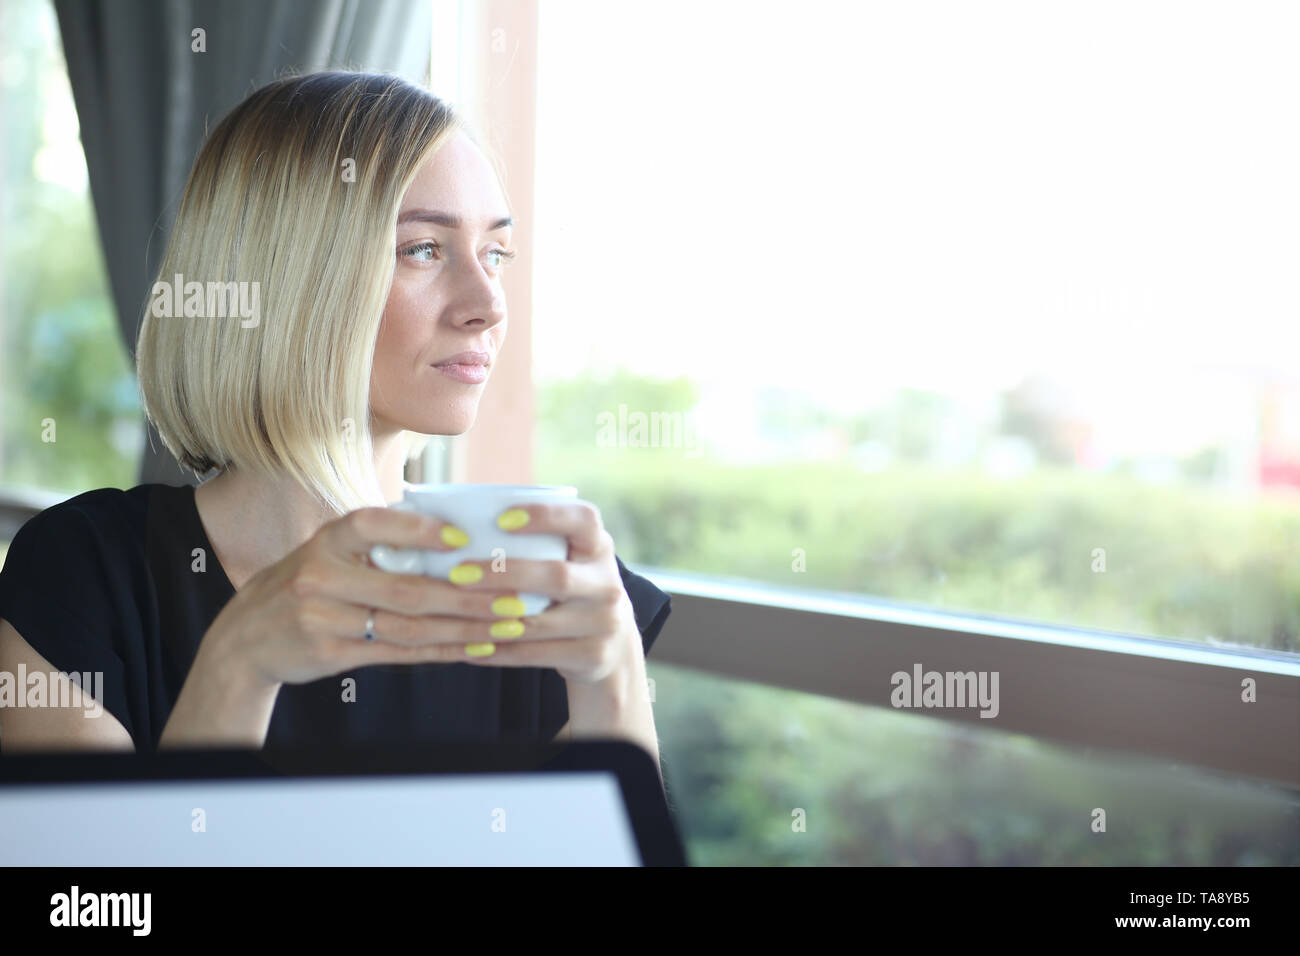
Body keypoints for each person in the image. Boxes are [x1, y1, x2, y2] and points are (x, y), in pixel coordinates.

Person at [0, 71, 672, 766]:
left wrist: (614, 683)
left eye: (495, 253)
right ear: (291, 280)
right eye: (423, 250)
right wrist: (239, 666)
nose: (488, 303)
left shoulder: (548, 597)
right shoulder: (83, 577)